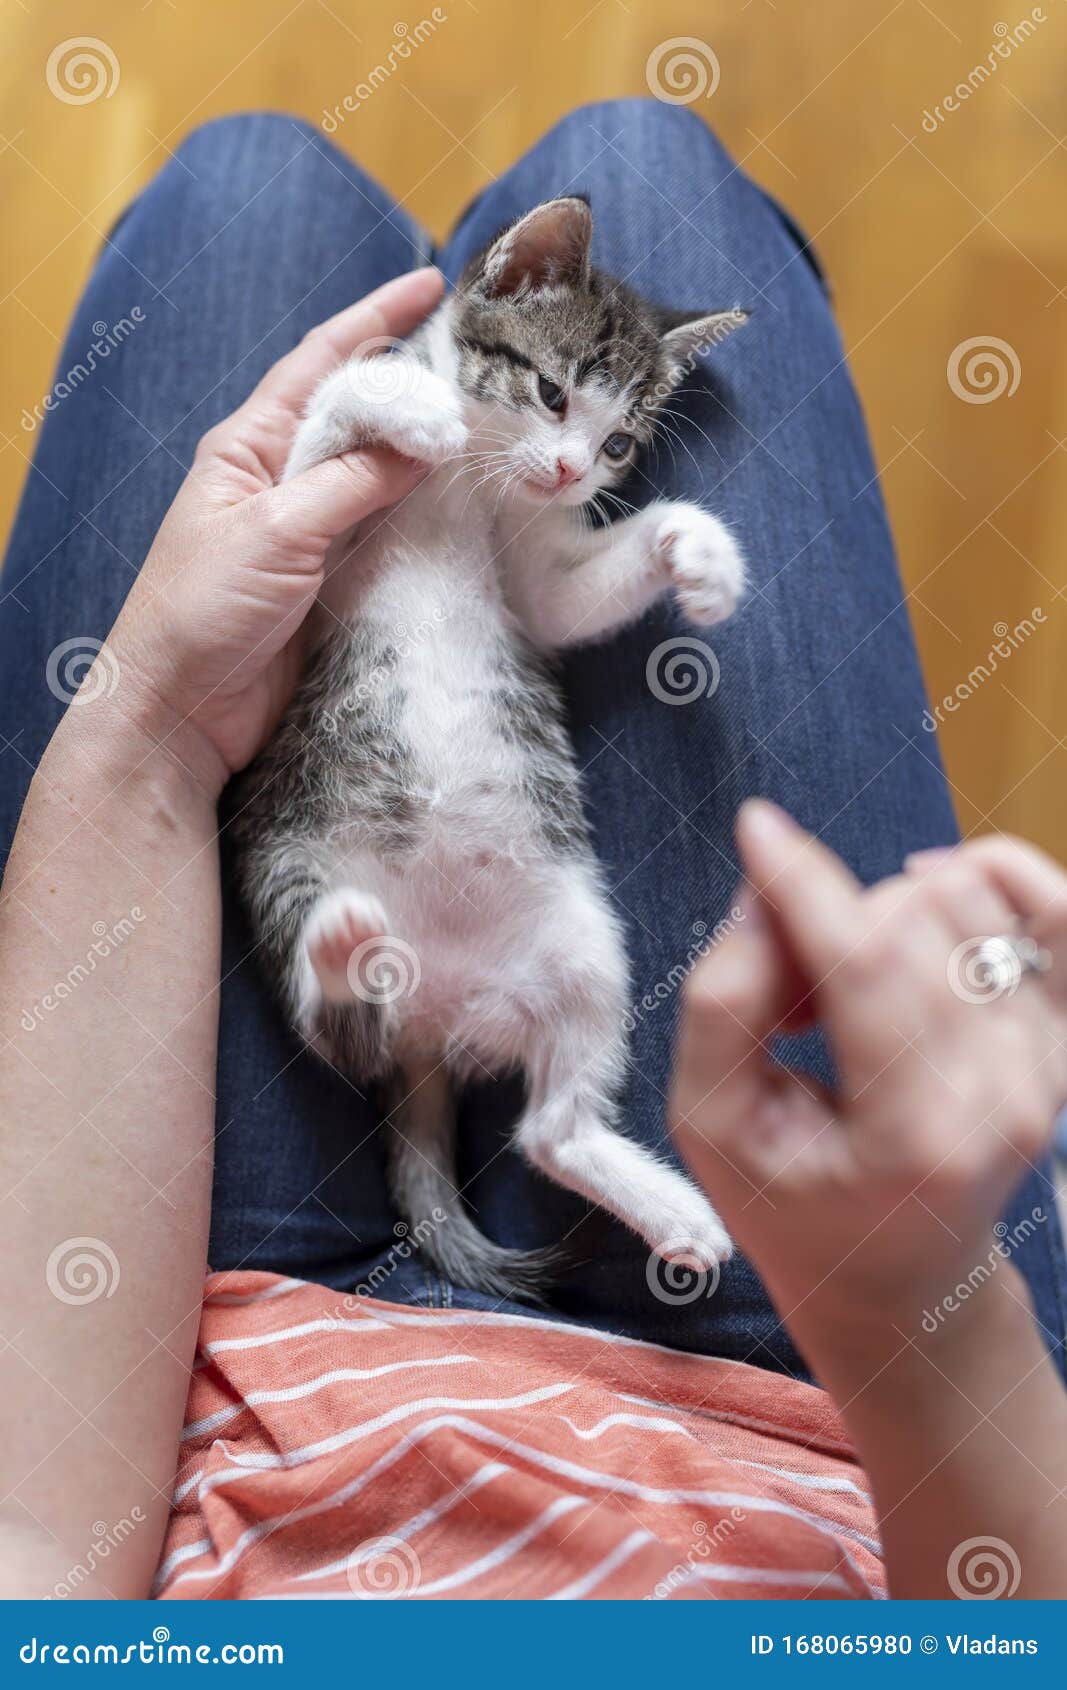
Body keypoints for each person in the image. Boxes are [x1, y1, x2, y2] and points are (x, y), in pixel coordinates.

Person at [0, 102, 1064, 1602]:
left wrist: (156, 725)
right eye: (573, 414)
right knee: (644, 148)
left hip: (193, 1371)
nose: (580, 463)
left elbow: (556, 595)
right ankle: (503, 1089)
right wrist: (915, 1307)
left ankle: (519, 1096)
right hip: (810, 1394)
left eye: (614, 443)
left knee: (250, 181)